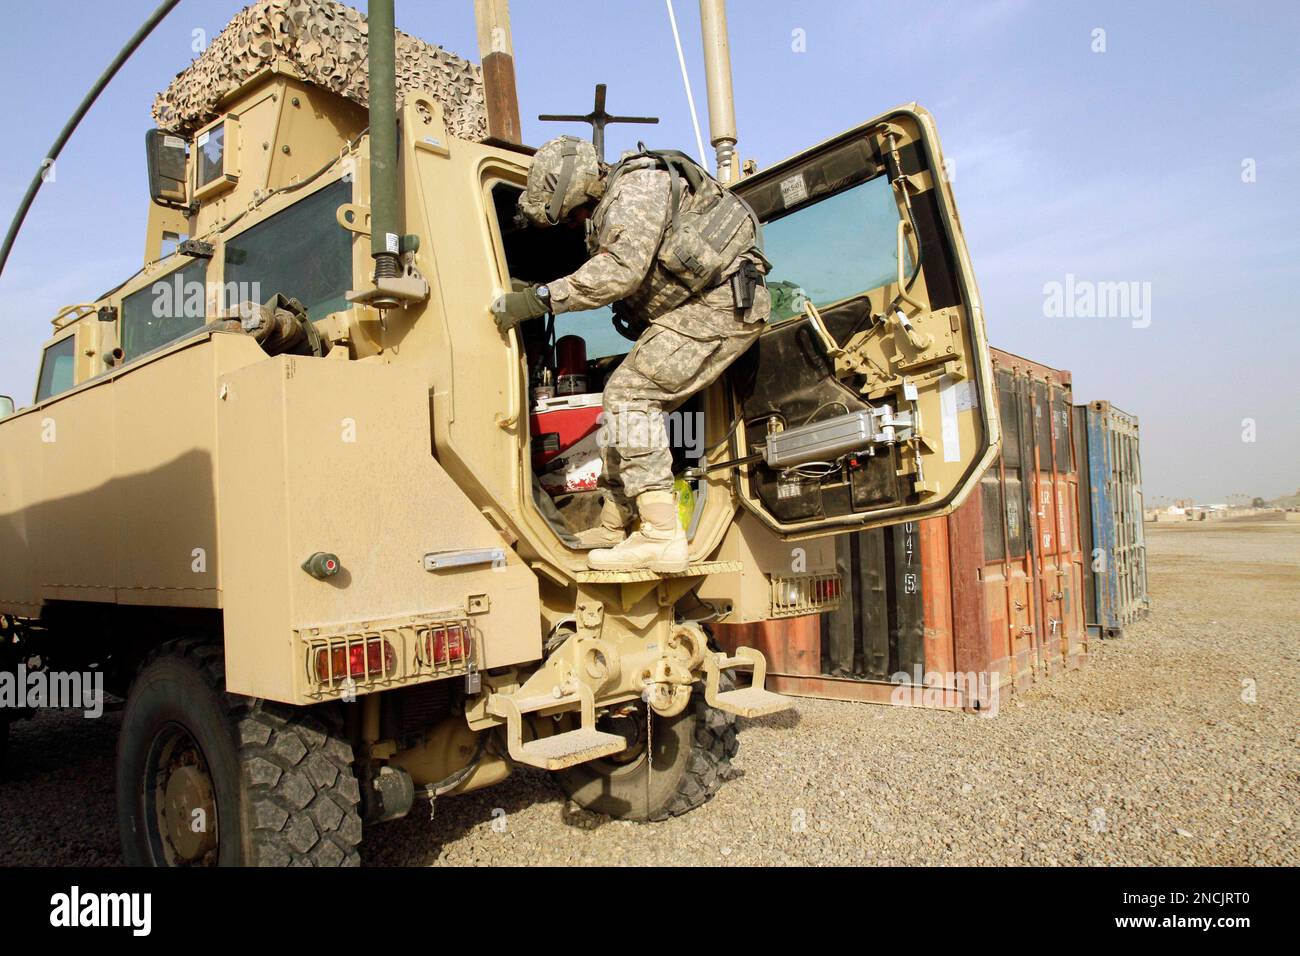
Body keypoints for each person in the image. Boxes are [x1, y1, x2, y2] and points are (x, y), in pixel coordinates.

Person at [491, 136, 770, 572]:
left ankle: (660, 534)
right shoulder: (615, 198)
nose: (577, 222)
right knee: (621, 410)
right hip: (704, 308)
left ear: (580, 186)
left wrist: (540, 299)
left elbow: (621, 271)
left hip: (721, 306)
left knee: (629, 396)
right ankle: (615, 524)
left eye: (576, 213)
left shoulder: (636, 187)